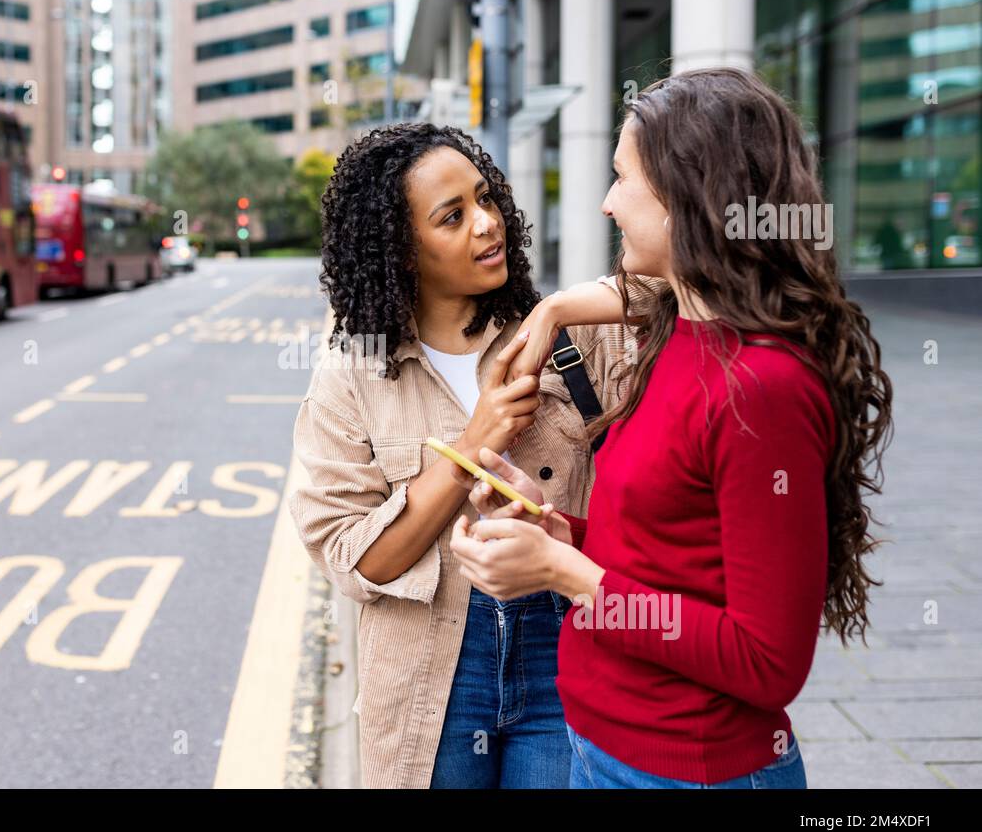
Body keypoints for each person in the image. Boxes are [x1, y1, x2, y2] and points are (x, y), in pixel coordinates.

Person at [450, 68, 893, 789]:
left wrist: (565, 574)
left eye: (623, 180)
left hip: (689, 772)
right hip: (603, 747)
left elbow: (767, 658)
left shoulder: (762, 389)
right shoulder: (676, 337)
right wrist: (559, 533)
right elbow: (668, 556)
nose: (605, 204)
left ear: (691, 194)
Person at [288, 122, 650, 788]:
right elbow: (355, 556)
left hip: (565, 648)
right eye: (453, 217)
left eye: (486, 199)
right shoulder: (353, 375)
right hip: (431, 667)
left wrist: (560, 308)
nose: (487, 225)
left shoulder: (569, 337)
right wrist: (471, 447)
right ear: (400, 249)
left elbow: (686, 289)